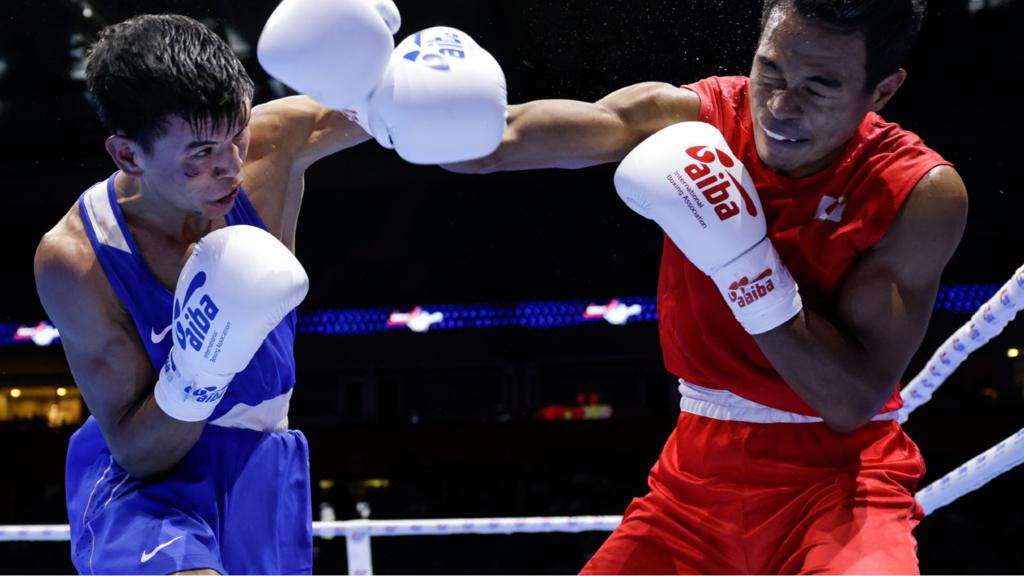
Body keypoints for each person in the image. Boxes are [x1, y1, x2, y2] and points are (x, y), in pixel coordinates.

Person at [448, 0, 968, 572]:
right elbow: (495, 141)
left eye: (818, 89)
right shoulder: (697, 120)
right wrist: (379, 100)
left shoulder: (915, 189)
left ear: (883, 91)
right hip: (692, 479)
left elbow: (849, 401)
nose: (779, 107)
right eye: (769, 71)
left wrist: (744, 266)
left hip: (839, 485)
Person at [33, 1, 505, 573]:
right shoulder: (77, 259)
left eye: (237, 133)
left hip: (265, 461)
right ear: (127, 153)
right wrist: (202, 364)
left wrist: (632, 125)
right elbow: (136, 451)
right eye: (201, 154)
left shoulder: (276, 143)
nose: (232, 166)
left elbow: (451, 121)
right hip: (146, 485)